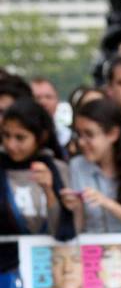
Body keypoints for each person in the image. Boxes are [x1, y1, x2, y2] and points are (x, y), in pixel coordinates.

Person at [60, 97, 121, 233]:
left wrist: (106, 202)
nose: (81, 142)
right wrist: (75, 208)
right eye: (79, 134)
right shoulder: (77, 165)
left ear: (113, 134)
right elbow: (78, 229)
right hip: (91, 251)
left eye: (89, 134)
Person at [0, 96, 75, 242]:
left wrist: (49, 190)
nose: (10, 145)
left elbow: (62, 231)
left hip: (47, 259)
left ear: (41, 136)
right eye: (6, 136)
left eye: (20, 138)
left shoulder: (58, 169)